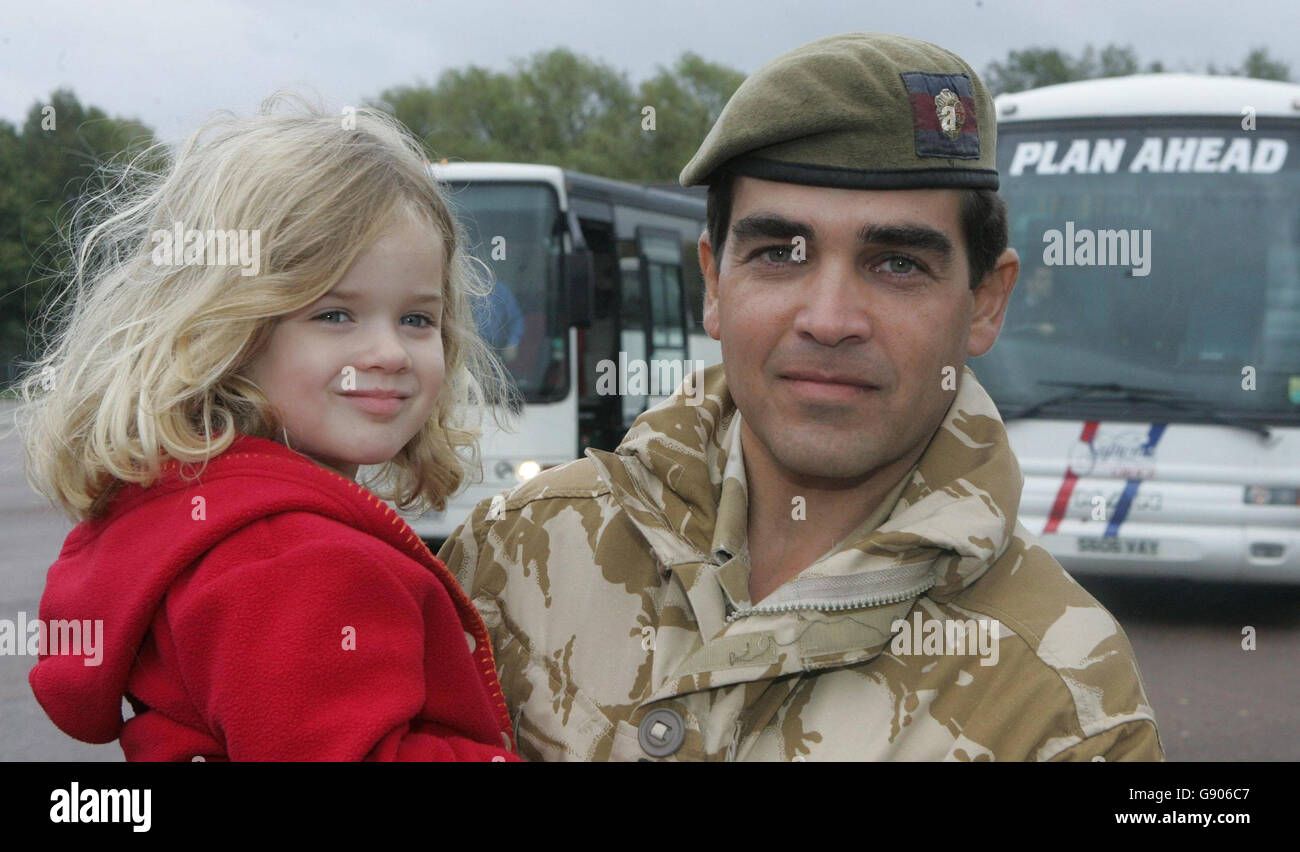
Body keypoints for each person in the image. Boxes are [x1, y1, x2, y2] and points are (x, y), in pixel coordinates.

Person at [440, 32, 1165, 761]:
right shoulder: (517, 554)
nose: (829, 320)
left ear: (984, 302)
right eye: (779, 255)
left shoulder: (1063, 698)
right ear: (714, 284)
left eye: (897, 264)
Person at [16, 94, 521, 761]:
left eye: (418, 319)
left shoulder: (202, 518)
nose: (390, 353)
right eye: (334, 315)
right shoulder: (297, 560)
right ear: (229, 332)